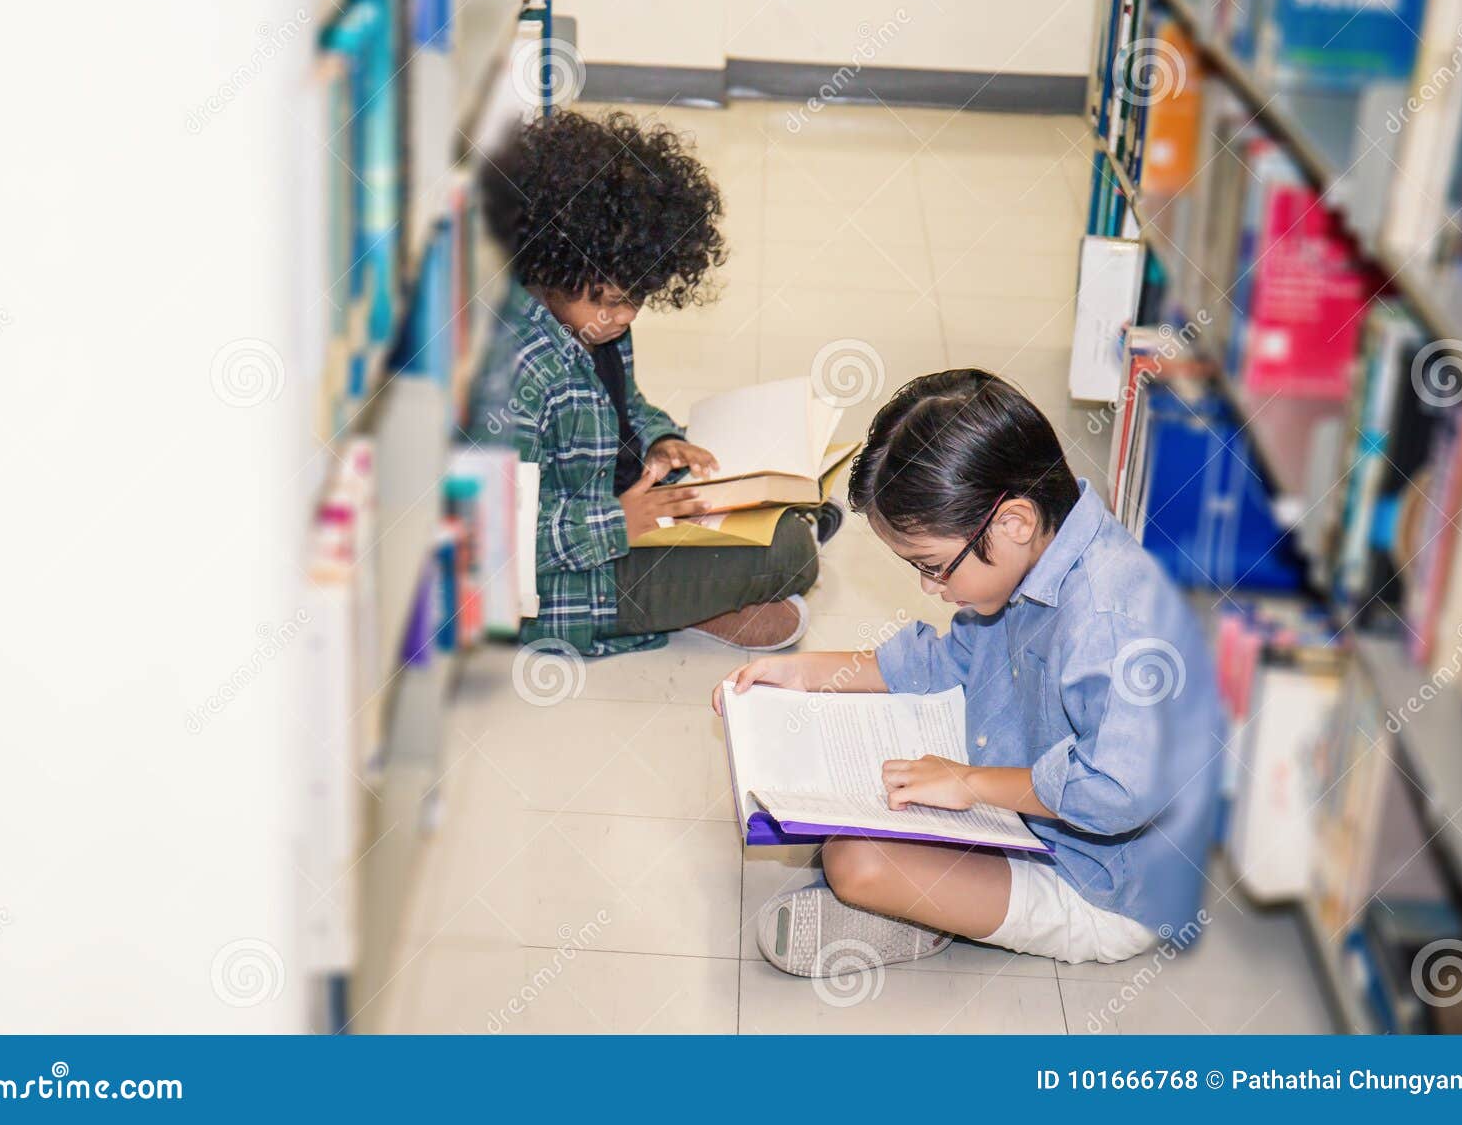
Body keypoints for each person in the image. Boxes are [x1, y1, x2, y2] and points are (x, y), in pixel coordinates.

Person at [715, 369, 1224, 971]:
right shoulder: (1031, 558)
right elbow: (948, 659)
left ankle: (926, 920)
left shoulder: (1108, 619)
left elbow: (1116, 793)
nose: (931, 588)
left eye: (934, 566)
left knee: (855, 861)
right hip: (1022, 805)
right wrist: (805, 673)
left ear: (1013, 523)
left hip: (1099, 884)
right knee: (851, 783)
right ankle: (935, 892)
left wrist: (970, 783)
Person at [469, 110, 832, 658]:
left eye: (637, 299)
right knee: (791, 552)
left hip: (629, 504)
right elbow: (490, 538)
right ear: (550, 263)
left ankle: (729, 579)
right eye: (610, 301)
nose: (625, 318)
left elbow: (625, 406)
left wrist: (661, 438)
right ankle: (720, 602)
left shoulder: (593, 324)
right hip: (570, 580)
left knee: (777, 493)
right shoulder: (515, 373)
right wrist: (618, 522)